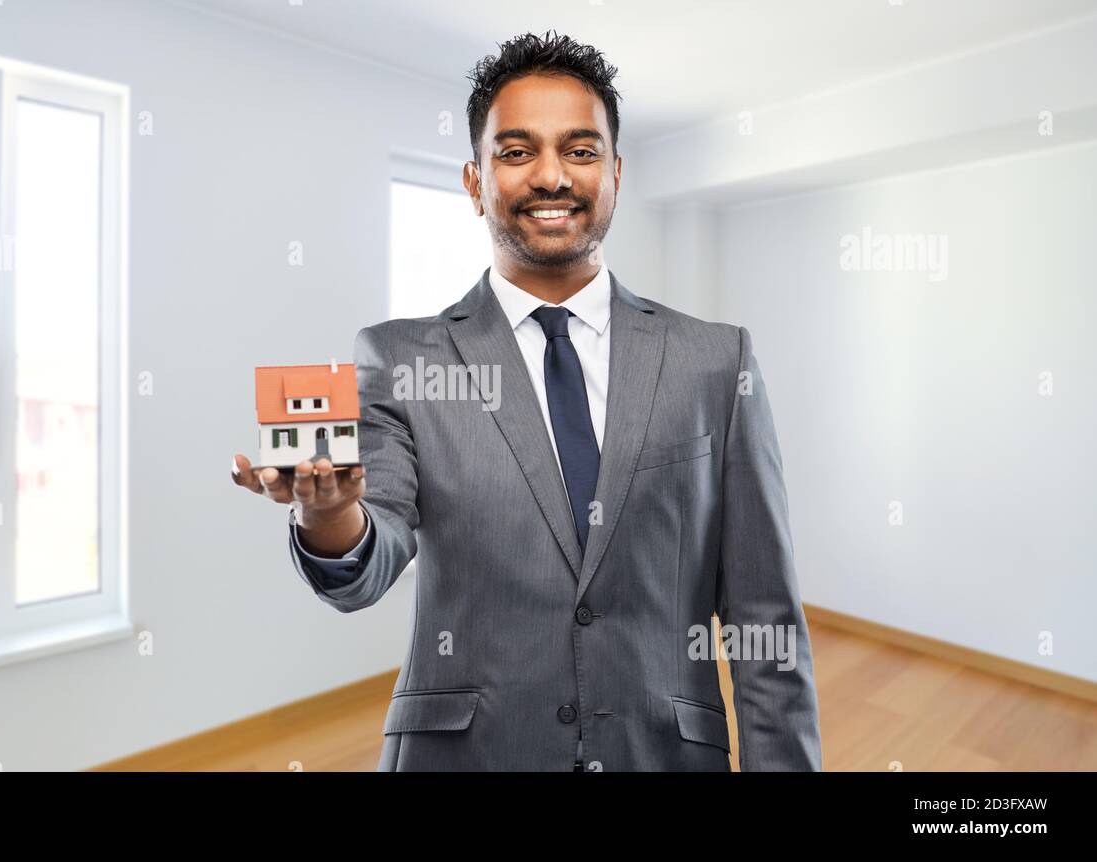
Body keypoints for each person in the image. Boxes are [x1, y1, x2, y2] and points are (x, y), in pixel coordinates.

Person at [233, 30, 822, 772]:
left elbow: (764, 621)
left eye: (580, 151)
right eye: (516, 152)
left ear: (616, 173)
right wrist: (328, 516)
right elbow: (372, 552)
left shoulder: (716, 360)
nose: (551, 175)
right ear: (476, 181)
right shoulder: (400, 357)